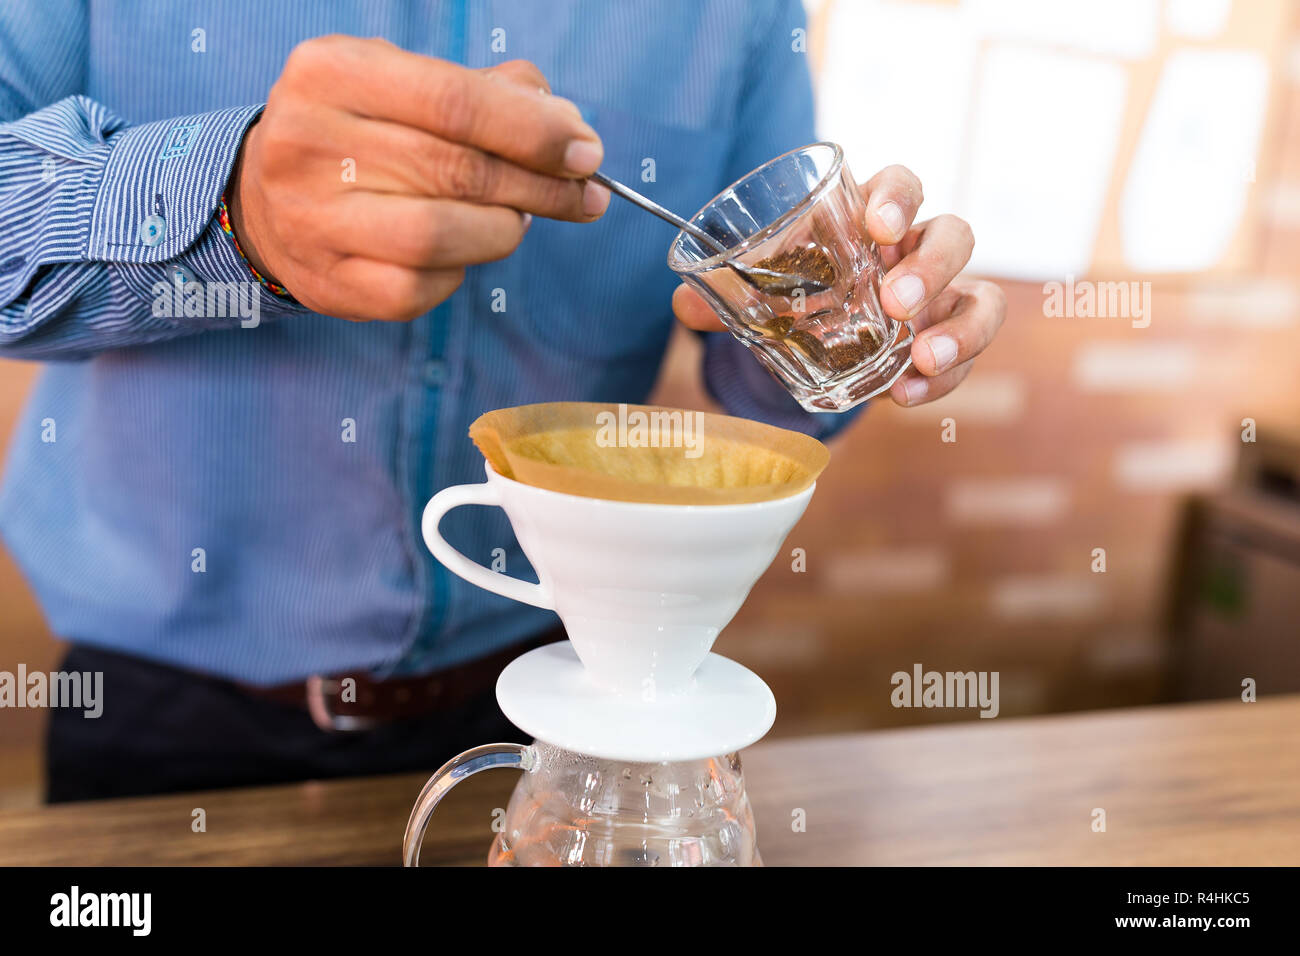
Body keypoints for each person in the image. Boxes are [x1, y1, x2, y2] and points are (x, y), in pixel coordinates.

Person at [0, 1, 1005, 801]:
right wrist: (236, 208)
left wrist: (841, 325)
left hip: (561, 696)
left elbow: (748, 332)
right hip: (164, 721)